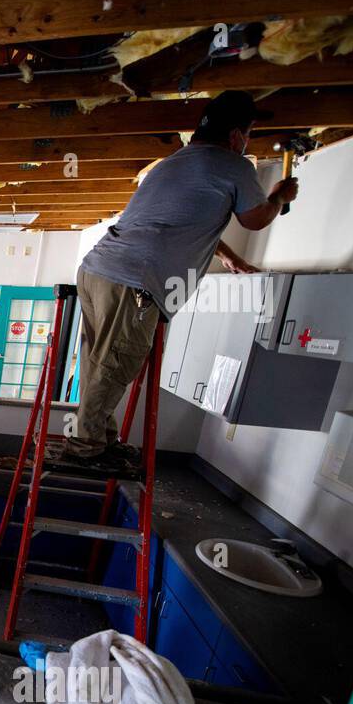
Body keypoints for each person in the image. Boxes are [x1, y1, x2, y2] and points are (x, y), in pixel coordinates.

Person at [65, 90, 299, 473]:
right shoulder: (233, 165)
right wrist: (279, 196)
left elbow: (188, 221)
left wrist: (230, 258)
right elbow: (255, 219)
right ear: (238, 136)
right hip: (133, 280)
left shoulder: (171, 164)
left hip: (97, 269)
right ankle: (84, 448)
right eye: (249, 135)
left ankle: (100, 439)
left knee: (99, 361)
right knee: (116, 363)